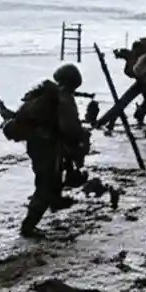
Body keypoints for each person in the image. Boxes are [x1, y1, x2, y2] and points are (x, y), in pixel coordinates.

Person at [16, 64, 88, 238]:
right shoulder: (64, 99)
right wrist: (81, 138)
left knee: (49, 177)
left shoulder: (43, 94)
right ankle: (28, 226)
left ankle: (55, 200)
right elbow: (69, 128)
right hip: (50, 146)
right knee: (45, 185)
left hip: (36, 143)